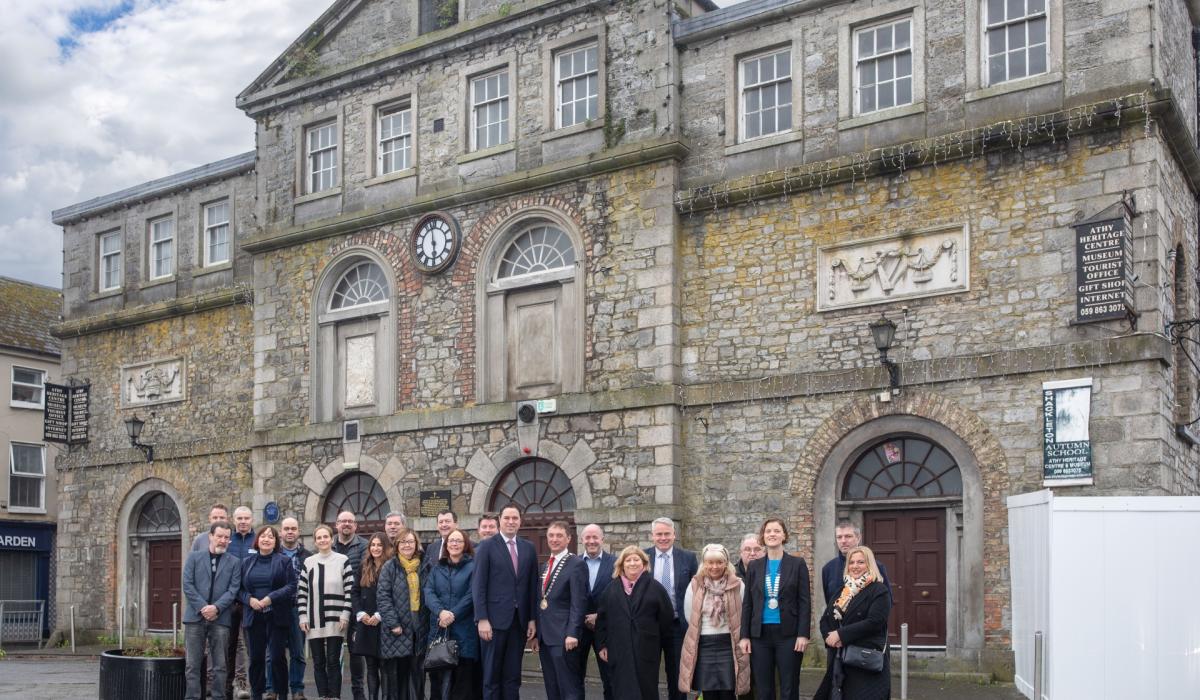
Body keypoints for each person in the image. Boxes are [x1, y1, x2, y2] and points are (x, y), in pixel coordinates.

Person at [738, 518, 810, 700]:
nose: (772, 534)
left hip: (789, 634)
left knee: (789, 685)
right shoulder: (754, 566)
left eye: (777, 531)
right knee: (763, 688)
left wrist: (803, 634)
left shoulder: (797, 564)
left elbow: (804, 602)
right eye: (768, 531)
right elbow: (748, 604)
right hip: (759, 635)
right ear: (763, 536)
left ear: (784, 535)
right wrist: (744, 636)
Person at [472, 504, 538, 700]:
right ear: (499, 520)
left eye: (515, 518)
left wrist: (532, 619)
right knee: (491, 676)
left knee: (512, 677)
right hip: (493, 623)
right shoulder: (486, 546)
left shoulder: (529, 548)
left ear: (520, 521)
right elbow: (479, 585)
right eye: (507, 518)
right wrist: (482, 618)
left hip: (519, 623)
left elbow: (532, 586)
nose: (511, 522)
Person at [594, 546, 673, 700]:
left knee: (647, 689)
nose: (632, 563)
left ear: (644, 564)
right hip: (619, 649)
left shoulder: (656, 588)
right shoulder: (611, 589)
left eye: (636, 559)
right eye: (628, 560)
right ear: (622, 564)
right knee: (621, 689)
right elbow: (602, 619)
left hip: (646, 649)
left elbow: (666, 618)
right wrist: (602, 644)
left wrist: (656, 639)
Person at [813, 546, 892, 700]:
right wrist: (830, 638)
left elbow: (875, 622)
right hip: (841, 658)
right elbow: (826, 618)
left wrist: (840, 635)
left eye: (861, 562)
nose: (855, 566)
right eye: (852, 562)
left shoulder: (879, 590)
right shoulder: (843, 591)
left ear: (869, 565)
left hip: (865, 659)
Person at [679, 544, 750, 700]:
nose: (714, 567)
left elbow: (744, 614)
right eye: (710, 562)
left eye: (719, 562)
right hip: (704, 644)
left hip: (729, 644)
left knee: (728, 692)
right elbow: (689, 615)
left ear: (726, 563)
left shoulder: (738, 585)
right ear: (704, 564)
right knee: (708, 692)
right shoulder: (695, 585)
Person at [183, 522, 242, 700]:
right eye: (219, 536)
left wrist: (216, 607)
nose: (223, 540)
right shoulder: (194, 558)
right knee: (192, 665)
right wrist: (203, 607)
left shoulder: (235, 562)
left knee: (220, 665)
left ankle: (218, 697)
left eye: (226, 537)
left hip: (221, 618)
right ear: (210, 536)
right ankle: (192, 697)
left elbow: (233, 590)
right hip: (195, 617)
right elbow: (187, 584)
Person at [240, 526, 298, 700]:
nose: (266, 539)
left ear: (275, 541)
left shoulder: (283, 561)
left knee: (276, 658)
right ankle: (256, 694)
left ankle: (281, 694)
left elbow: (291, 586)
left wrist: (270, 598)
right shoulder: (246, 563)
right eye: (263, 536)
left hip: (276, 616)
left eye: (270, 537)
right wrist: (249, 599)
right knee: (256, 659)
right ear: (257, 541)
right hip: (254, 617)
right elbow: (239, 589)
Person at [644, 517, 697, 700]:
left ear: (674, 535)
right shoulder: (643, 557)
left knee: (677, 675)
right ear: (652, 536)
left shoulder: (688, 558)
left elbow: (696, 591)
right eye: (659, 534)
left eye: (667, 534)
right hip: (650, 625)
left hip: (677, 625)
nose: (663, 538)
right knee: (648, 673)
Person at [423, 527, 480, 700]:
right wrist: (441, 612)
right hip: (440, 631)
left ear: (465, 545)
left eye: (459, 541)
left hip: (464, 631)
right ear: (446, 545)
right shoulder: (437, 568)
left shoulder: (473, 567)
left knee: (461, 683)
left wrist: (452, 614)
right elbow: (428, 591)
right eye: (451, 541)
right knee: (437, 682)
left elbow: (472, 595)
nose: (454, 544)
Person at [298, 524, 353, 700]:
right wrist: (302, 616)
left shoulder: (342, 560)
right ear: (315, 541)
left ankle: (335, 696)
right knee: (318, 662)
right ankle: (323, 695)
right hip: (314, 619)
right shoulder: (309, 562)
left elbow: (350, 590)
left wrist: (345, 614)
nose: (322, 540)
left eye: (325, 537)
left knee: (333, 662)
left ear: (331, 538)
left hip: (336, 619)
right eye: (319, 537)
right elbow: (302, 592)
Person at [535, 520, 587, 700]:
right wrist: (536, 635)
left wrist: (572, 633)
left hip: (564, 636)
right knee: (552, 686)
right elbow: (541, 600)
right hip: (546, 637)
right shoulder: (545, 565)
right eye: (551, 535)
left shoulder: (576, 564)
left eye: (559, 536)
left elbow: (578, 603)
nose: (554, 539)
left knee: (569, 687)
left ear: (568, 539)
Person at [378, 527, 427, 700]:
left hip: (419, 627)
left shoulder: (424, 565)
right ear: (397, 545)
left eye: (410, 541)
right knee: (398, 677)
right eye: (403, 542)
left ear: (416, 544)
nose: (407, 545)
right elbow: (383, 597)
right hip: (397, 629)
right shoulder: (390, 567)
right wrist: (393, 623)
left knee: (418, 675)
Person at [269, 517, 310, 700]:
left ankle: (297, 689)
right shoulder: (272, 553)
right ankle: (272, 689)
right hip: (276, 608)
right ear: (281, 532)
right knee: (273, 653)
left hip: (297, 608)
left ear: (298, 532)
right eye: (287, 528)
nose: (290, 531)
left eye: (293, 528)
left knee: (298, 652)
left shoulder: (307, 556)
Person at [352, 533, 393, 700]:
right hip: (366, 623)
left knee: (384, 666)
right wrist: (360, 613)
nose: (375, 548)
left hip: (383, 623)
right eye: (373, 545)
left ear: (385, 547)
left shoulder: (391, 566)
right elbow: (355, 591)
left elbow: (395, 595)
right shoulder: (364, 565)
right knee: (370, 666)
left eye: (379, 545)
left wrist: (380, 615)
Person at [577, 524, 614, 700]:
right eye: (588, 537)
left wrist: (600, 616)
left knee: (610, 679)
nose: (591, 541)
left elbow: (620, 597)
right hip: (579, 629)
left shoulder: (616, 564)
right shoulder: (573, 563)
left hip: (606, 630)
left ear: (602, 539)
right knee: (575, 678)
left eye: (595, 537)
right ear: (581, 539)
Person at [334, 511, 369, 700]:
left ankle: (358, 694)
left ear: (355, 526)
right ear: (336, 525)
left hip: (356, 604)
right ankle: (333, 693)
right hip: (332, 605)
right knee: (332, 652)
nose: (346, 524)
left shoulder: (364, 546)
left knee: (356, 652)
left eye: (350, 521)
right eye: (342, 521)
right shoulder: (328, 544)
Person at [821, 520, 892, 606]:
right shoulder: (828, 569)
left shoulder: (876, 566)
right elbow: (829, 603)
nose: (843, 541)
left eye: (848, 536)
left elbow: (886, 602)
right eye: (839, 537)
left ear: (858, 538)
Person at [227, 506, 258, 699]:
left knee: (253, 647)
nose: (243, 521)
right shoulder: (228, 541)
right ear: (234, 520)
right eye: (239, 518)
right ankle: (230, 687)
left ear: (252, 520)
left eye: (246, 518)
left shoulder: (259, 540)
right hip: (230, 603)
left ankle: (254, 687)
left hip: (251, 603)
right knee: (229, 647)